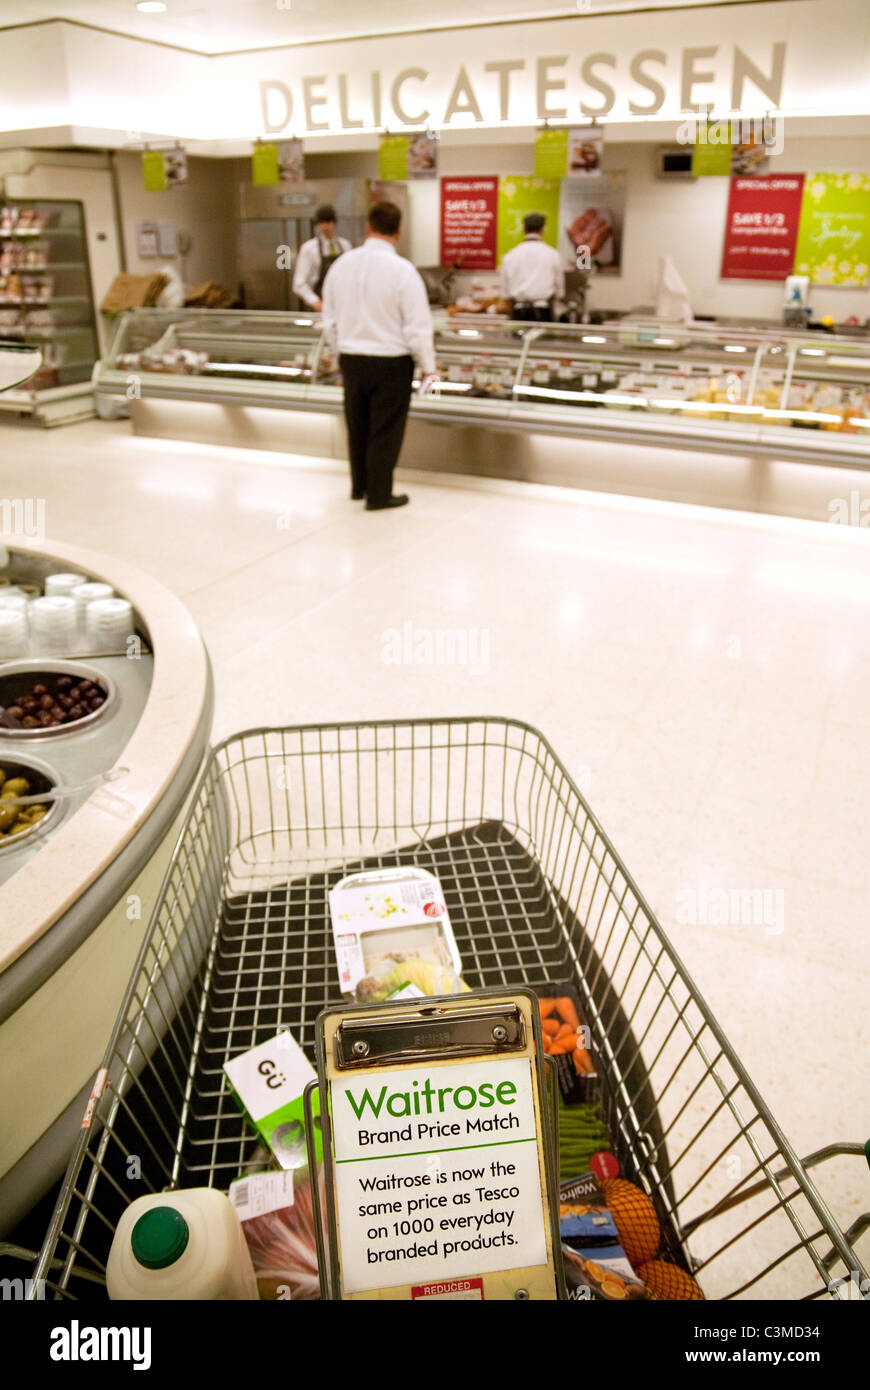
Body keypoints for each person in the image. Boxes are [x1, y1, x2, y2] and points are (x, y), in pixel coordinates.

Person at [321, 201, 436, 511]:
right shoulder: (404, 271)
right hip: (392, 362)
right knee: (385, 430)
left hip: (352, 358)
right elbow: (417, 327)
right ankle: (379, 495)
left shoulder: (341, 265)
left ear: (368, 228)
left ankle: (359, 487)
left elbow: (328, 319)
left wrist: (337, 351)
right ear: (399, 232)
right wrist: (429, 367)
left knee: (357, 425)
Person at [499, 212, 565, 321]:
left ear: (524, 229)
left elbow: (504, 293)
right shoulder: (553, 254)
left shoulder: (510, 256)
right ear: (543, 230)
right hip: (543, 313)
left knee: (518, 338)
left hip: (518, 313)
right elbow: (560, 291)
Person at [292, 204, 352, 312]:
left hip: (343, 305)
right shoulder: (309, 248)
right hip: (320, 307)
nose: (325, 227)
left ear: (334, 223)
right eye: (321, 223)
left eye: (328, 222)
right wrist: (315, 302)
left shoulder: (345, 246)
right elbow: (299, 283)